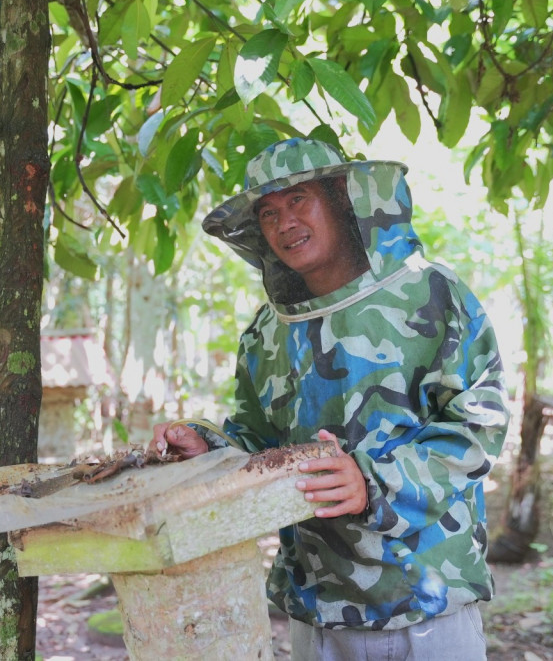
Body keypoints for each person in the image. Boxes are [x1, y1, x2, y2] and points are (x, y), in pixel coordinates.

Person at [152, 138, 509, 660]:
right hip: (319, 611)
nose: (284, 223)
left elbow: (477, 426)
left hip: (427, 604)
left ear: (343, 200)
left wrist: (372, 481)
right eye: (269, 212)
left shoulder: (431, 294)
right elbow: (259, 442)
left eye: (299, 200)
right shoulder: (266, 332)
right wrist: (207, 448)